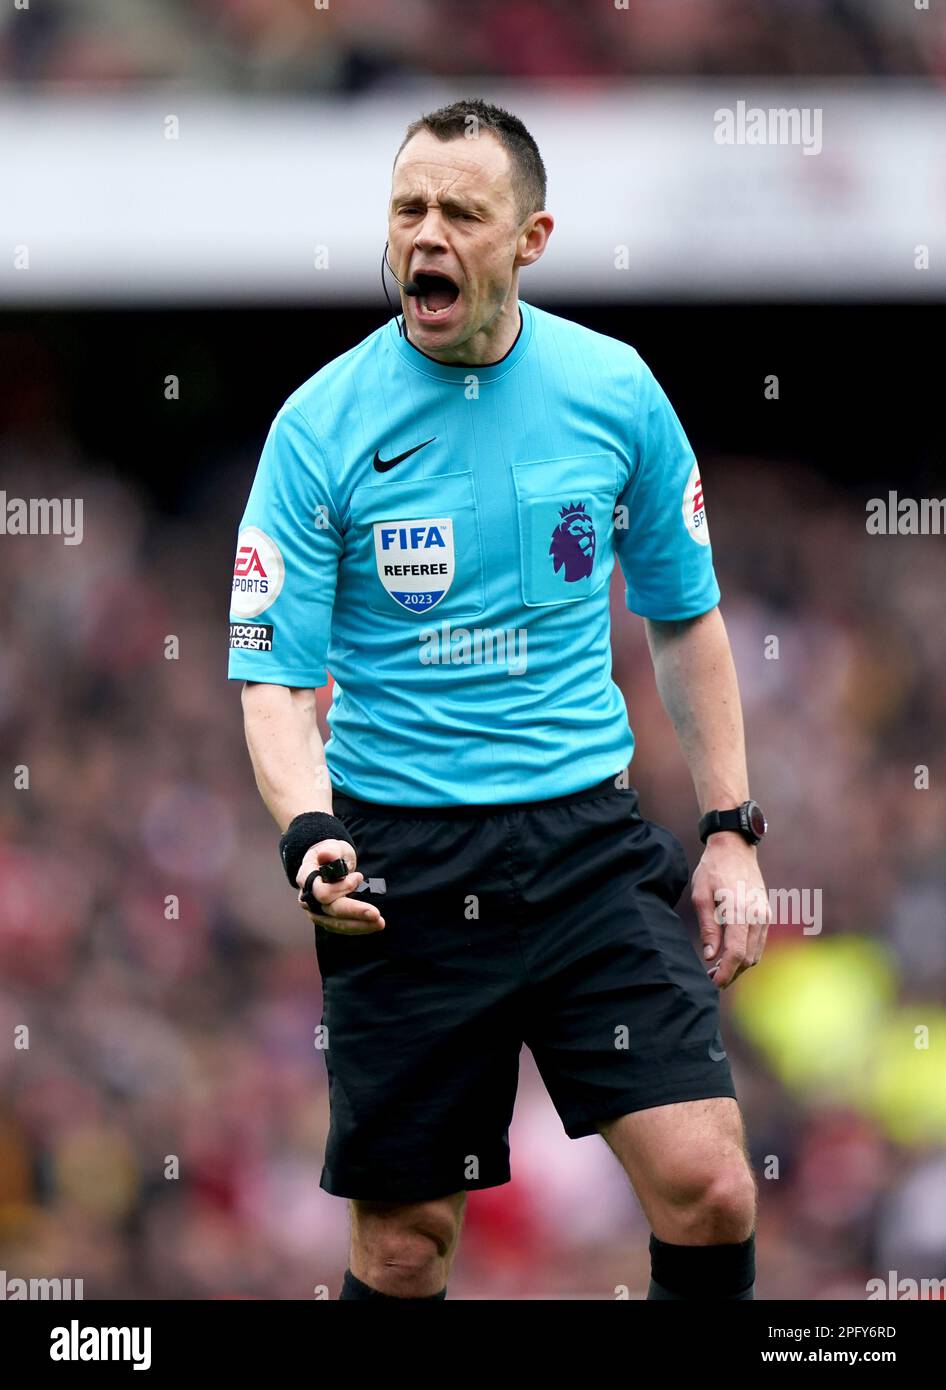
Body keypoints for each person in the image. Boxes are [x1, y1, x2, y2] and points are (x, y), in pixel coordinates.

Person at [228, 98, 770, 1301]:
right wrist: (309, 830)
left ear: (528, 239)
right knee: (406, 1245)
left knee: (712, 1181)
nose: (425, 234)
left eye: (461, 212)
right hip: (401, 868)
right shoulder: (318, 427)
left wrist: (730, 827)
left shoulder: (614, 391)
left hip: (584, 846)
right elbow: (273, 679)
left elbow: (682, 615)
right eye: (407, 207)